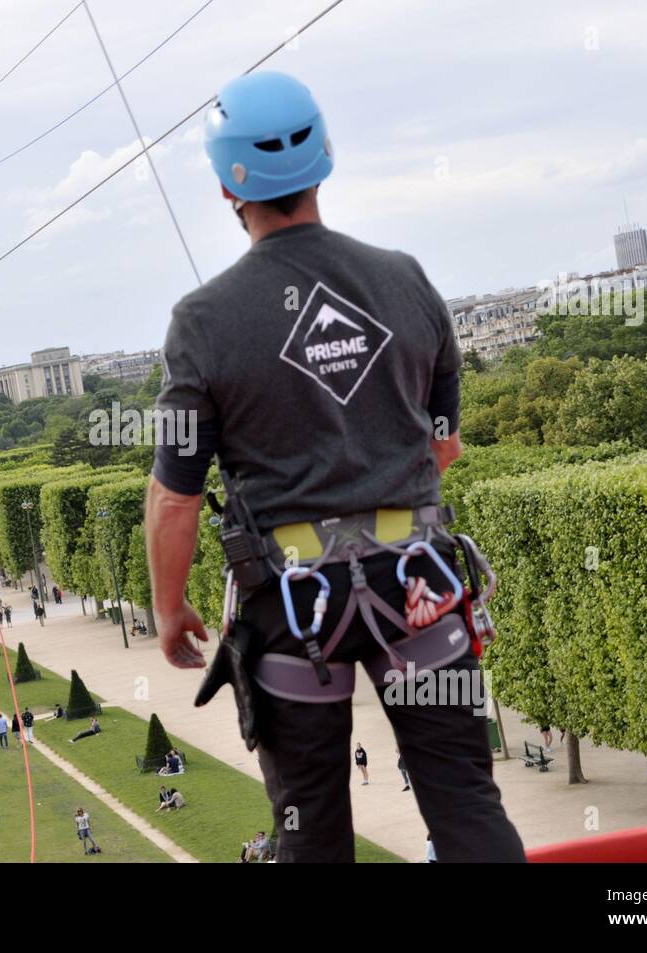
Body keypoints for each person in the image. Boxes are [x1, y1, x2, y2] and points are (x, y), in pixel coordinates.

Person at [143, 71, 523, 865]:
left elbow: (176, 496)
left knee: (310, 828)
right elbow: (443, 442)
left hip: (294, 606)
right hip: (419, 586)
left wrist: (170, 607)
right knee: (463, 797)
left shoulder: (201, 323)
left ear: (224, 185)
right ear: (323, 164)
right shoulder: (405, 278)